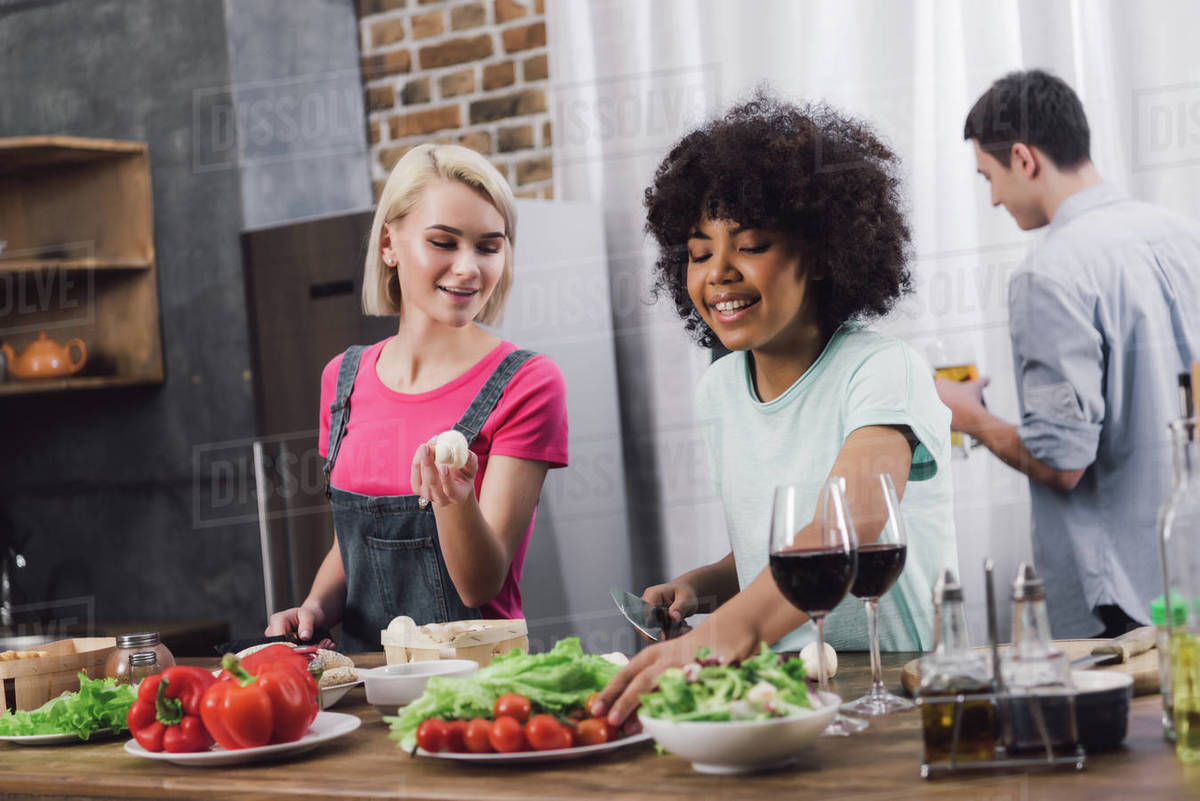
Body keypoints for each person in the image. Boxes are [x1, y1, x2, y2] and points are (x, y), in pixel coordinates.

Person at [595, 95, 957, 725]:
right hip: (788, 691)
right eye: (700, 253)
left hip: (895, 686)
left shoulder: (880, 370)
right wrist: (706, 587)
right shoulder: (719, 391)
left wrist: (717, 636)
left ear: (818, 255)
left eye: (751, 245)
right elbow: (781, 553)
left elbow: (844, 532)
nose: (719, 274)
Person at [265, 144, 568, 652]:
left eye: (489, 247)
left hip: (474, 689)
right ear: (389, 245)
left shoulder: (528, 382)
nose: (469, 267)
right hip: (365, 687)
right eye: (444, 242)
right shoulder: (342, 379)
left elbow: (480, 584)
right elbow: (354, 544)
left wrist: (455, 501)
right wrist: (316, 606)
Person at [937, 69, 1200, 639]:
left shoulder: (1049, 275)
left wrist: (968, 416)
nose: (994, 198)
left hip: (1124, 606)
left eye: (991, 176)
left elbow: (1062, 463)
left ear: (1026, 160)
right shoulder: (1187, 236)